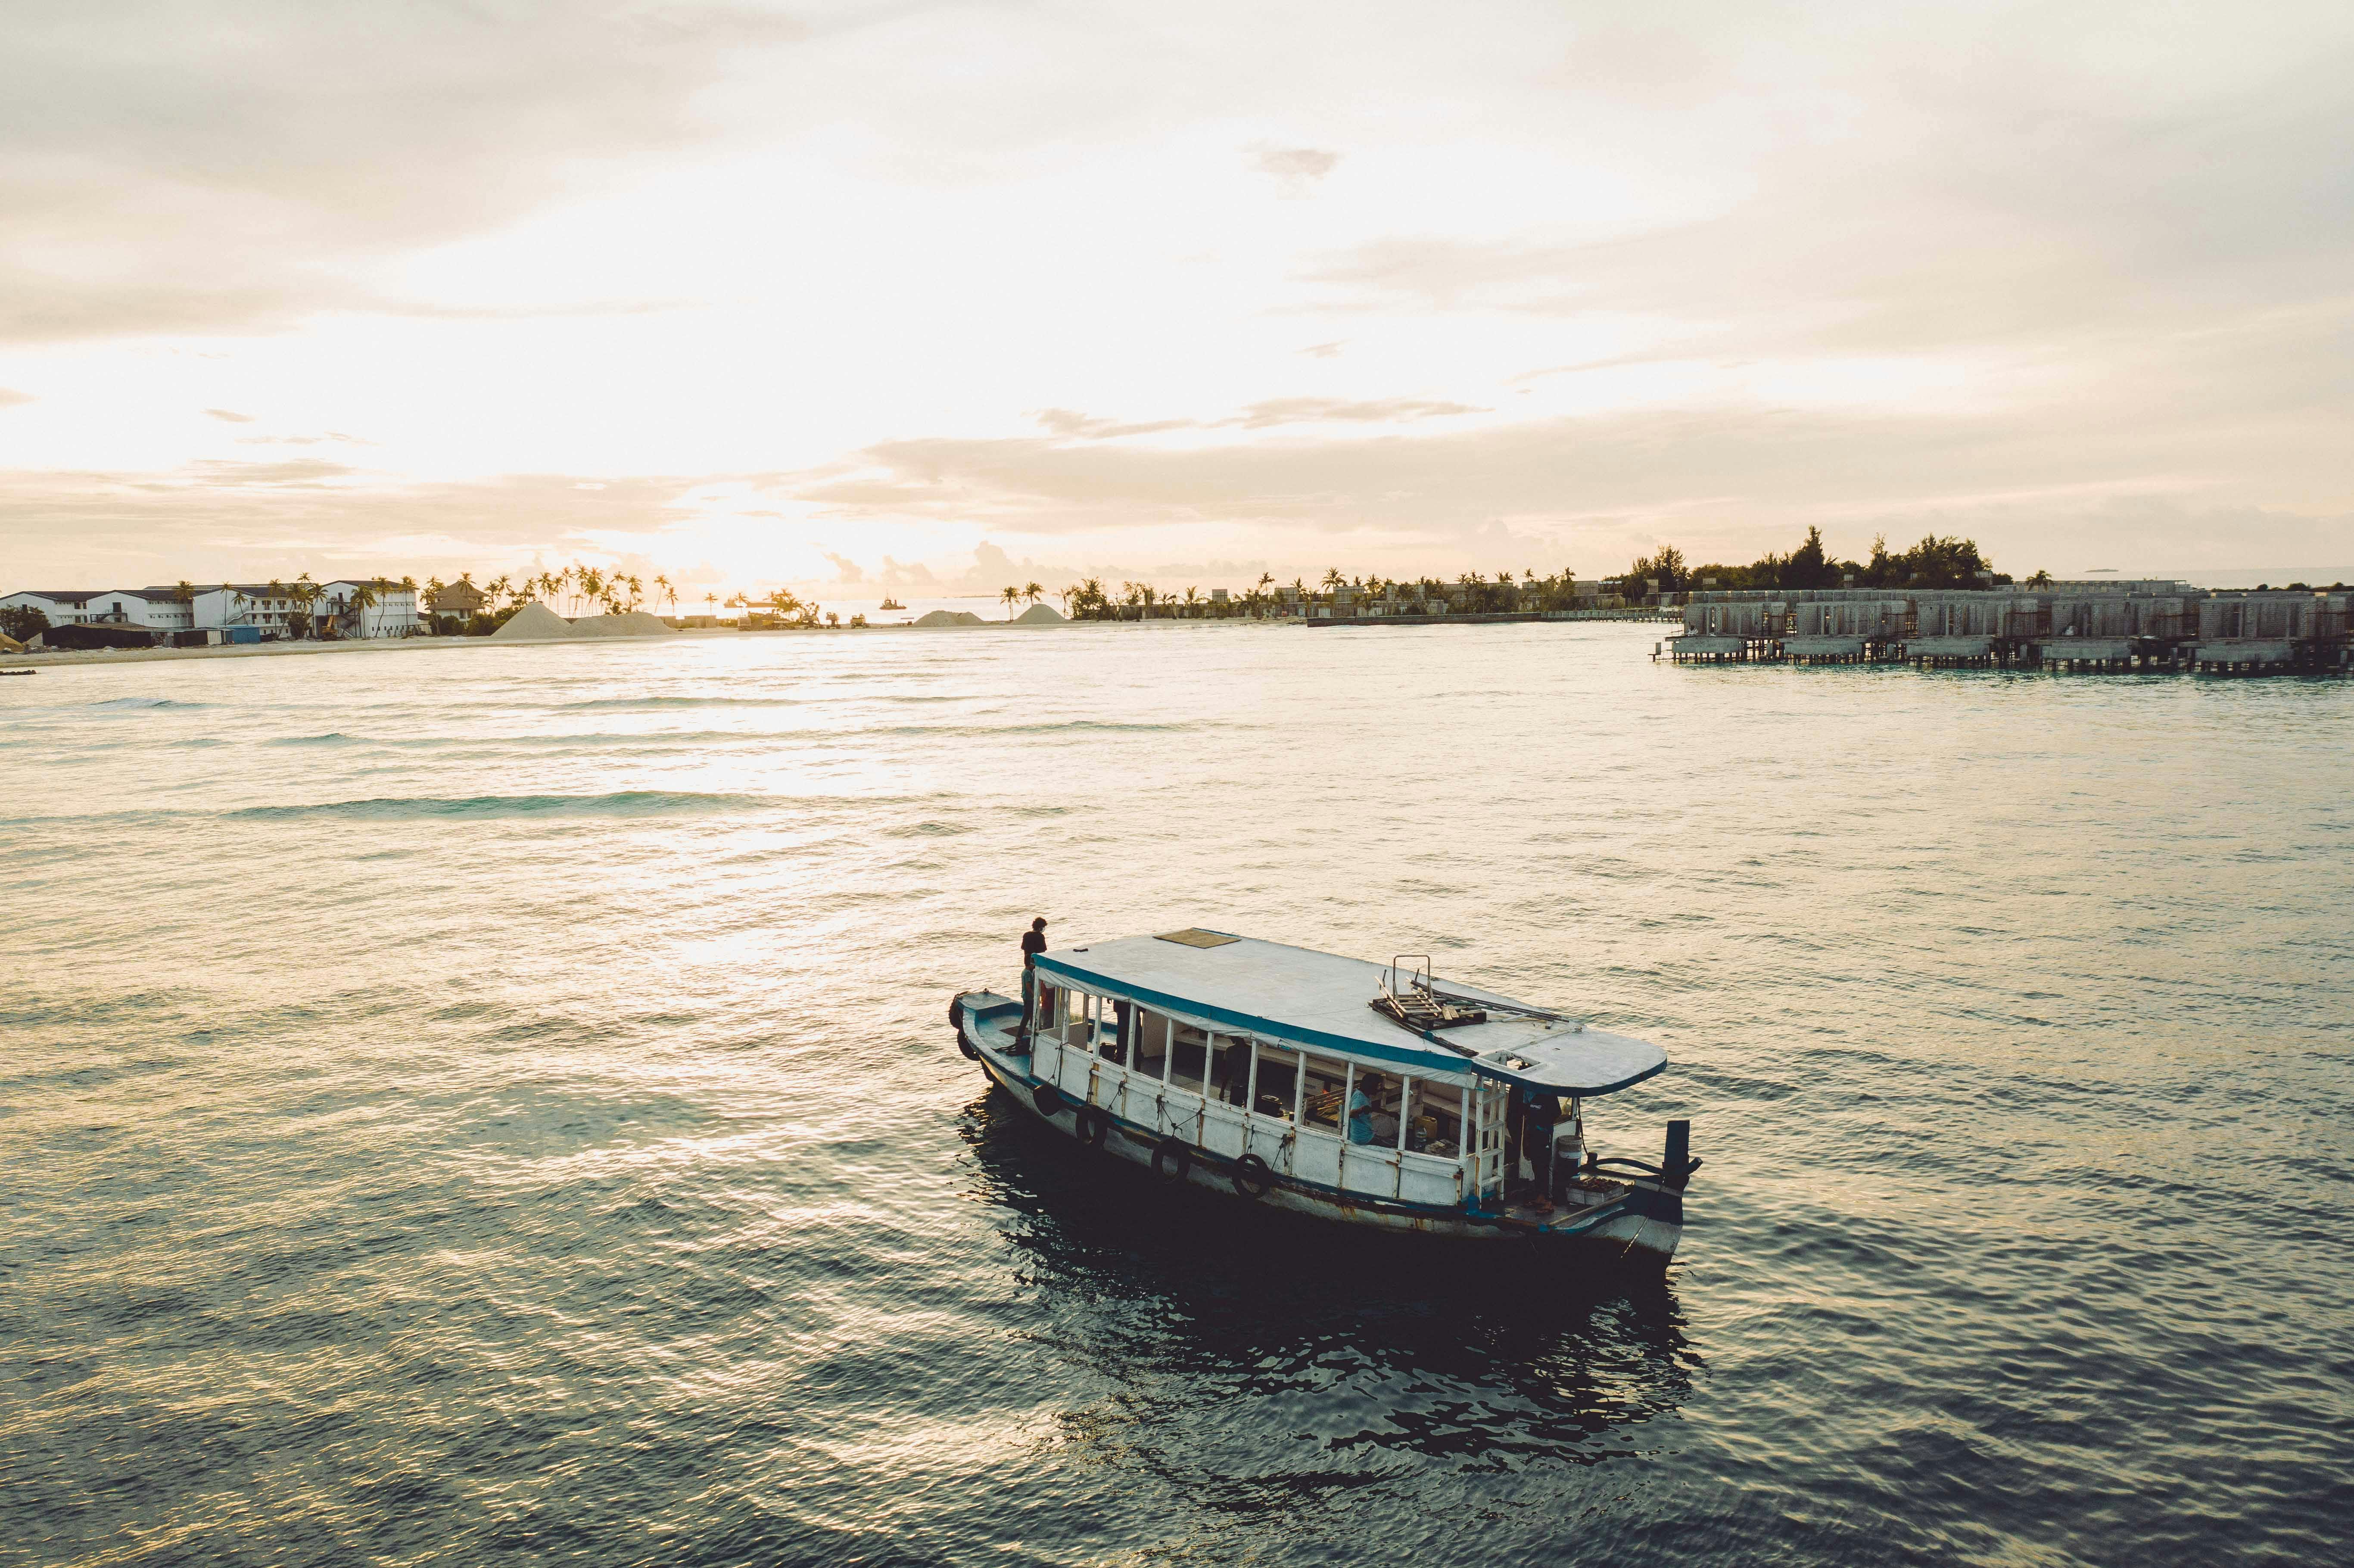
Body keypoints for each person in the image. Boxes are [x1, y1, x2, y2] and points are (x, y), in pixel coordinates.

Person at [1516, 1085, 1561, 1210]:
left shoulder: (1548, 1091)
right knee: (1536, 1164)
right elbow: (1526, 1109)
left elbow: (1557, 1112)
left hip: (1544, 1133)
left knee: (1545, 1165)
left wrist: (1543, 1122)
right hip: (1532, 1131)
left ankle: (1548, 1200)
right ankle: (1540, 1196)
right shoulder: (1527, 1089)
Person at [1018, 917, 1047, 1041]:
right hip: (1036, 964)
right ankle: (1034, 1025)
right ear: (1041, 927)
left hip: (1027, 962)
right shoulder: (1040, 937)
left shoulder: (1026, 935)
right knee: (1035, 985)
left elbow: (1024, 949)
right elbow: (1043, 952)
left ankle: (1032, 1024)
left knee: (1029, 984)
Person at [1348, 1073, 1383, 1145]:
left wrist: (1389, 1113)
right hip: (1362, 1138)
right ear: (1372, 1085)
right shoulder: (1359, 1098)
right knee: (1393, 1146)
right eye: (1378, 1085)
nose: (1379, 1088)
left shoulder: (1365, 1096)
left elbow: (1371, 1109)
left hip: (1366, 1135)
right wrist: (1362, 1110)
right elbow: (1351, 1114)